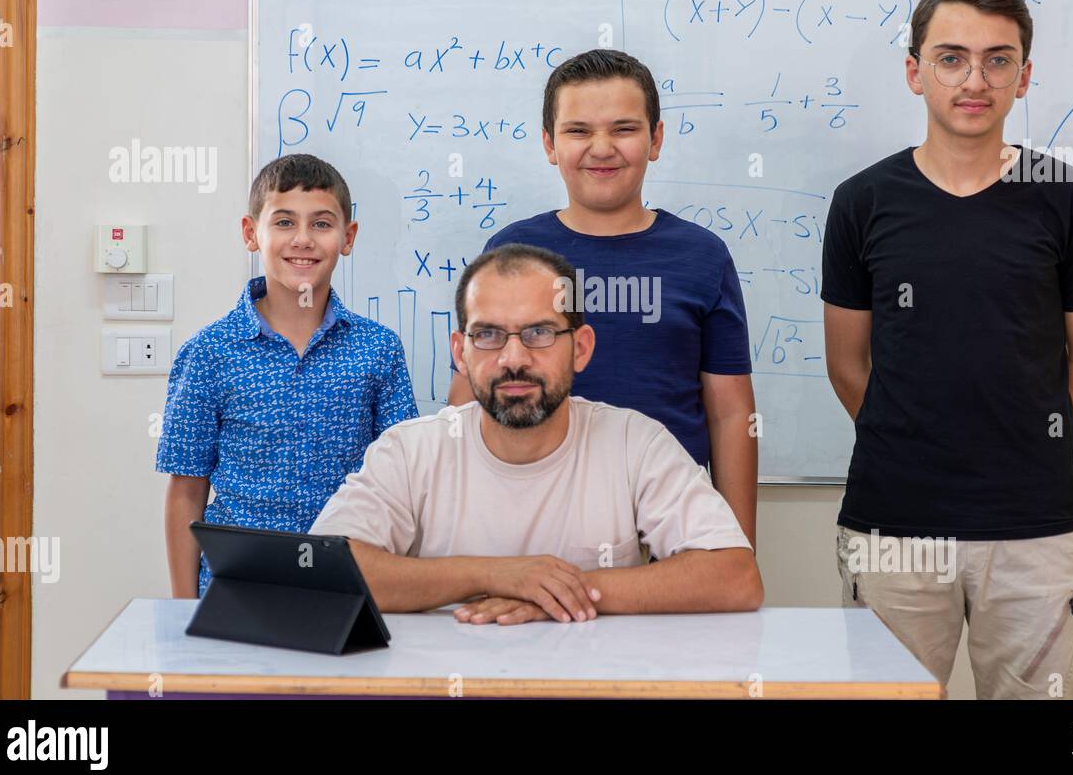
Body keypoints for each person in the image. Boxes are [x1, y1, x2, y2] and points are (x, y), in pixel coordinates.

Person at [821, 0, 1073, 698]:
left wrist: (1013, 437)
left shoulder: (1067, 199)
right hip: (893, 526)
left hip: (1033, 526)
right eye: (951, 58)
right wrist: (921, 442)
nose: (974, 79)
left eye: (998, 59)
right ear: (915, 72)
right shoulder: (862, 201)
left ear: (1024, 76)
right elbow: (847, 363)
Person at [312, 243, 762, 625]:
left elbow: (735, 576)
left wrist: (560, 593)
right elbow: (327, 572)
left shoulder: (635, 442)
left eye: (539, 333)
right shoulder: (410, 450)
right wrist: (495, 575)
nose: (513, 358)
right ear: (461, 353)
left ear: (580, 348)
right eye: (487, 334)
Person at [448, 48, 758, 545]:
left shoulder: (703, 256)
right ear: (549, 144)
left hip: (667, 518)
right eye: (578, 131)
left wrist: (736, 545)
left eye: (623, 128)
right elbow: (469, 398)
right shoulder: (509, 254)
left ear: (655, 139)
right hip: (529, 516)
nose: (601, 148)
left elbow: (731, 413)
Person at [158, 153, 418, 598]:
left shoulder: (379, 349)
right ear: (250, 233)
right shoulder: (208, 353)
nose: (303, 239)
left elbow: (406, 481)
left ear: (347, 237)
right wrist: (182, 608)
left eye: (321, 224)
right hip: (236, 587)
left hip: (350, 582)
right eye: (283, 222)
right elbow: (186, 488)